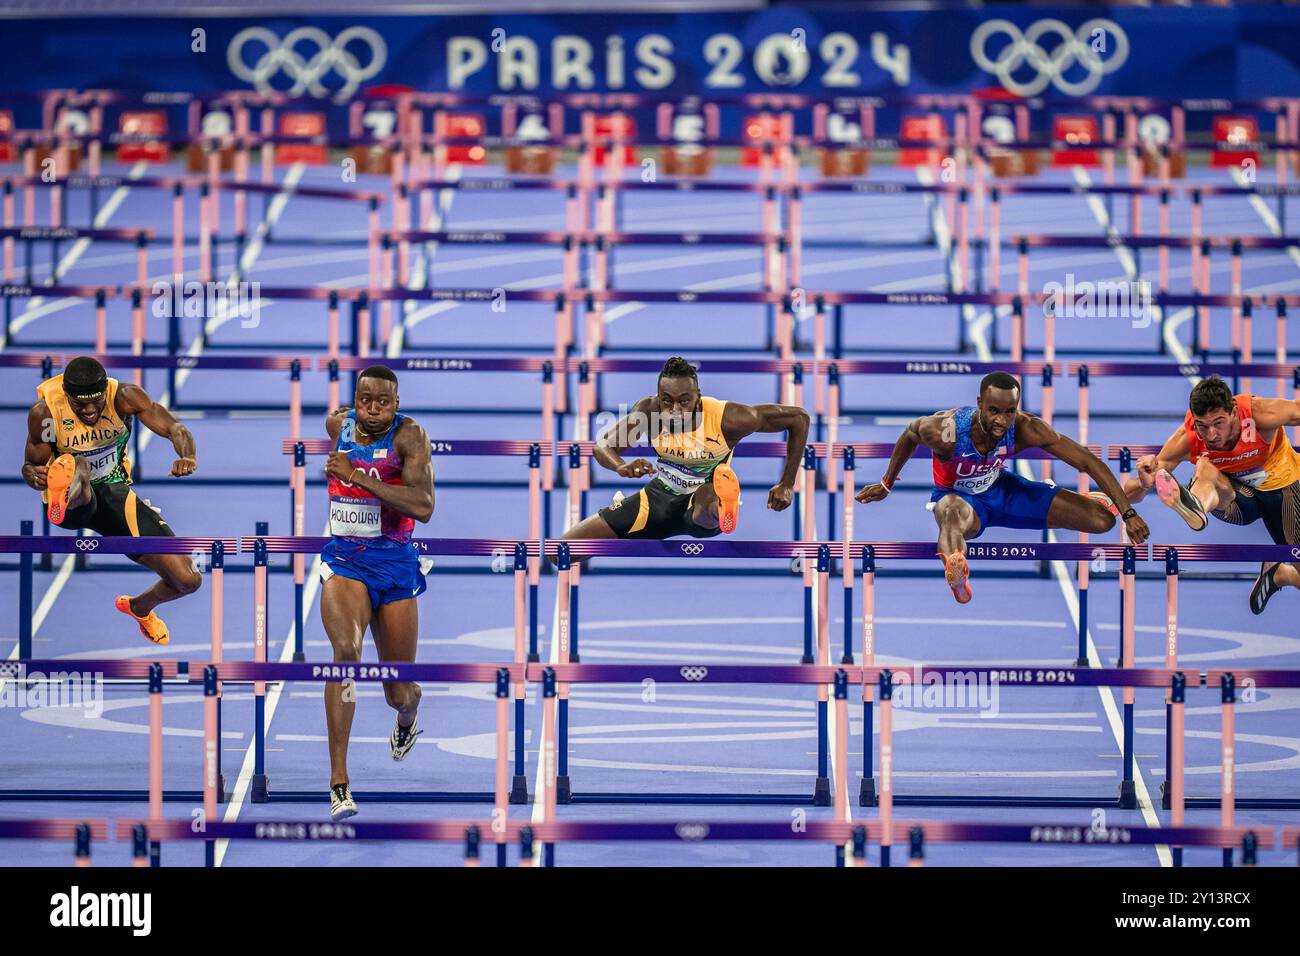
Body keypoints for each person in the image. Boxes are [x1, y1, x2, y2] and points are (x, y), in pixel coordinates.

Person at [855, 371, 1149, 603]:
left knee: (1102, 521)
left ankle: (1091, 500)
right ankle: (957, 572)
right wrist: (886, 482)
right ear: (980, 403)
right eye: (994, 410)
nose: (1001, 420)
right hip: (963, 500)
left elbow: (1086, 461)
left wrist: (1128, 513)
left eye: (1009, 412)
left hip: (1005, 490)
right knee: (950, 513)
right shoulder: (946, 431)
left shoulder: (1026, 428)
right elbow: (910, 433)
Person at [319, 365, 434, 821]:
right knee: (345, 652)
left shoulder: (411, 438)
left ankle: (408, 716)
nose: (372, 408)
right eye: (365, 399)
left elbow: (424, 506)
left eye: (382, 401)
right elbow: (339, 429)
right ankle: (339, 782)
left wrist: (360, 477)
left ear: (396, 403)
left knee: (398, 691)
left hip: (395, 562)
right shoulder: (337, 425)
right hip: (345, 558)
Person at [21, 356, 200, 644]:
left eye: (96, 402)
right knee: (77, 464)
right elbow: (30, 464)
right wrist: (33, 475)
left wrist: (187, 455)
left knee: (187, 580)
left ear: (106, 390)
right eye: (80, 404)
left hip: (114, 493)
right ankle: (68, 485)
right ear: (67, 396)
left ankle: (139, 608)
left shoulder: (125, 398)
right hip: (72, 504)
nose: (90, 410)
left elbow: (175, 429)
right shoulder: (46, 413)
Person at [561, 356, 810, 544]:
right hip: (656, 500)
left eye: (684, 400)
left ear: (697, 397)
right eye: (667, 399)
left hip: (700, 500)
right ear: (658, 396)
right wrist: (620, 465)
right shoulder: (648, 411)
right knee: (562, 550)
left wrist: (787, 483)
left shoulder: (729, 418)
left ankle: (724, 508)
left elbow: (798, 418)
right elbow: (602, 445)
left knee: (705, 501)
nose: (675, 408)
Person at [1121, 375, 1300, 614]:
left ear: (1234, 413)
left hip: (1283, 489)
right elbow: (1133, 491)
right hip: (1236, 499)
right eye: (1203, 426)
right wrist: (1144, 483)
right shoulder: (1188, 438)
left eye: (1218, 423)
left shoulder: (1261, 413)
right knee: (1205, 467)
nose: (1211, 434)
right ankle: (1196, 505)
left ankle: (1280, 574)